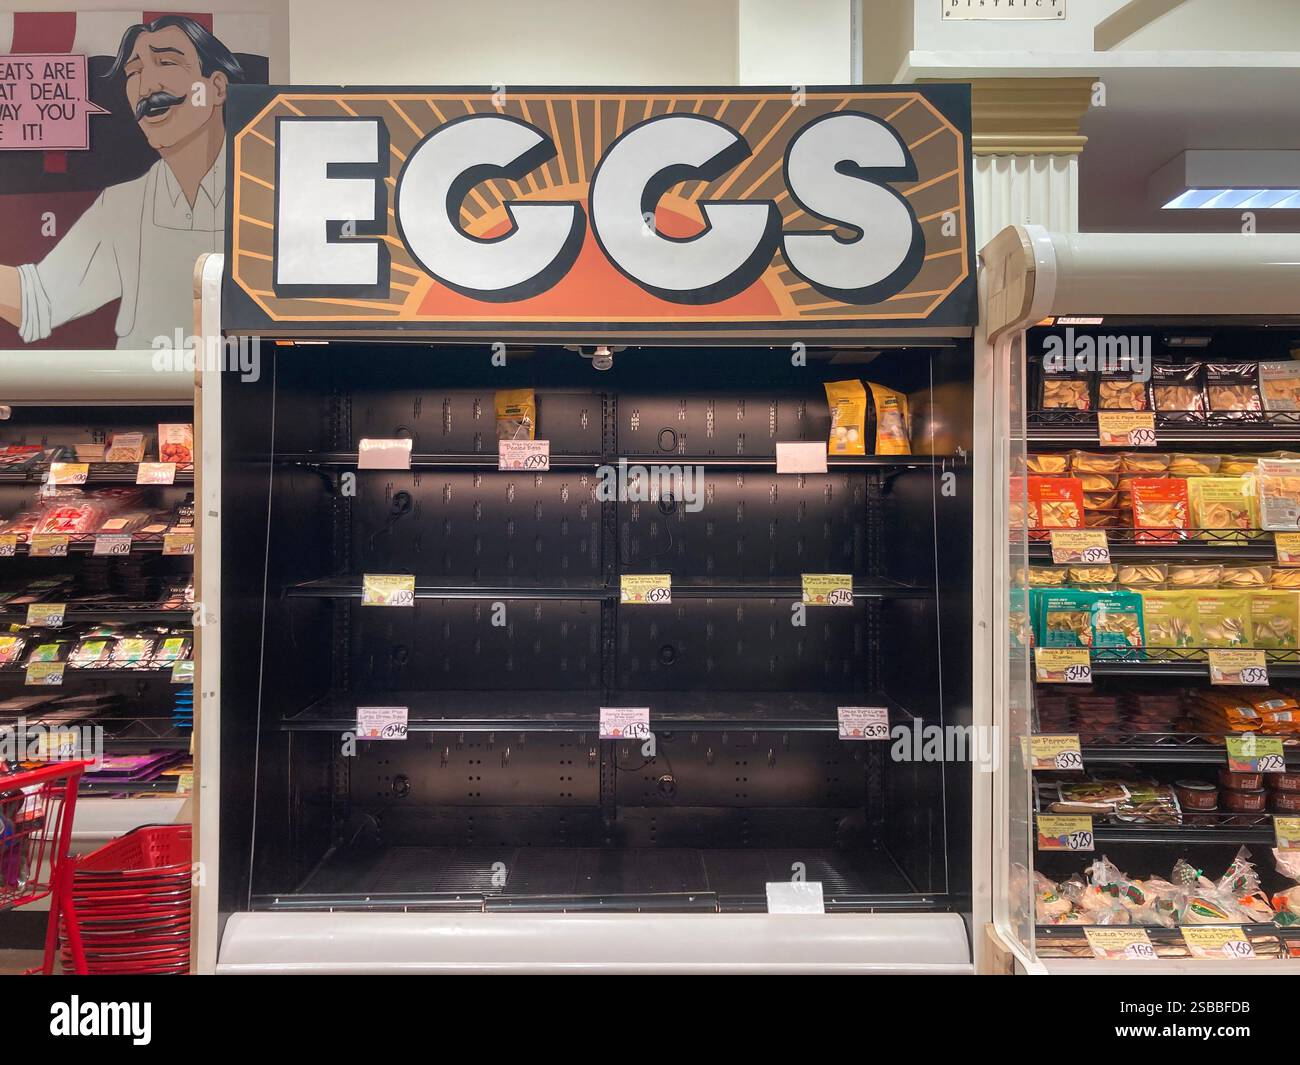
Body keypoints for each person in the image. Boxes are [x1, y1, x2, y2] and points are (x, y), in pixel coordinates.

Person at [0, 15, 243, 349]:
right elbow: (39, 298)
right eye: (135, 71)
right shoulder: (123, 203)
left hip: (250, 390)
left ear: (216, 87)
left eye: (167, 61)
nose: (146, 87)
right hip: (143, 398)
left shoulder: (262, 194)